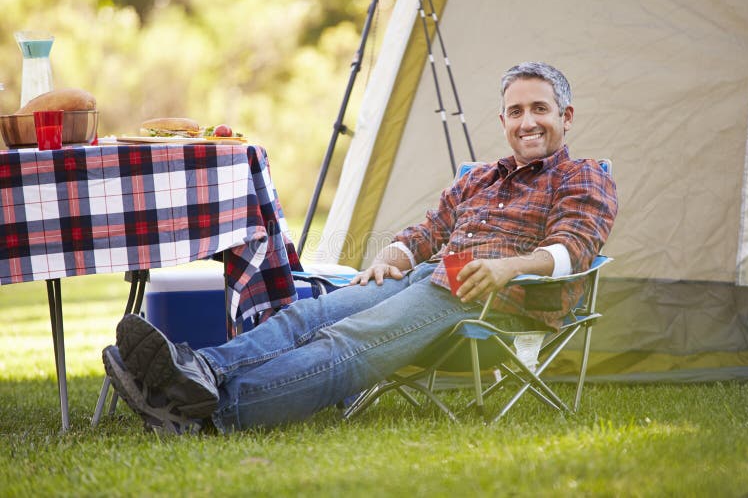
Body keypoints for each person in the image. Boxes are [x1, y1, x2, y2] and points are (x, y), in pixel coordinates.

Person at [103, 61, 618, 434]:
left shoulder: (583, 175)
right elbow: (428, 232)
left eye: (540, 109)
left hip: (494, 302)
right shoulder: (481, 177)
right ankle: (199, 369)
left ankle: (206, 415)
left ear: (566, 115)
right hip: (435, 279)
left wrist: (509, 267)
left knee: (345, 341)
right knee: (306, 316)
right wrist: (394, 255)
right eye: (515, 111)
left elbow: (574, 248)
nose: (527, 121)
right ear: (503, 120)